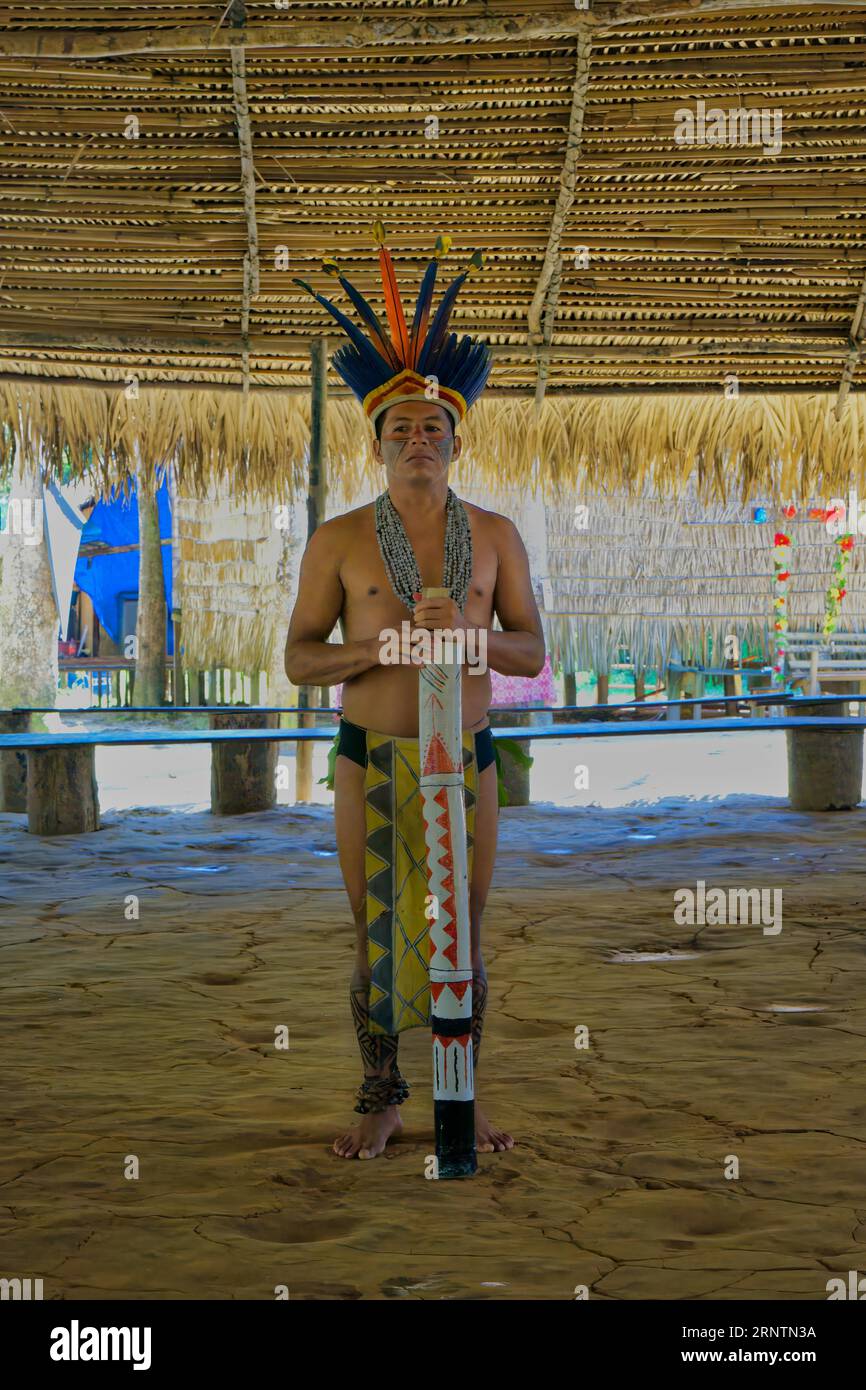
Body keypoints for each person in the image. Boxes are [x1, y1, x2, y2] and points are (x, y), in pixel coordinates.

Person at [286, 226, 545, 1160]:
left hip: (465, 756)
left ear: (456, 441)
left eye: (433, 427)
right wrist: (378, 648)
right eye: (400, 428)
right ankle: (381, 1096)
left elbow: (532, 654)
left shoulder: (498, 535)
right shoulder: (338, 539)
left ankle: (461, 1101)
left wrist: (468, 637)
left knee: (461, 928)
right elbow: (298, 660)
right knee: (376, 930)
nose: (417, 439)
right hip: (370, 757)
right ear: (377, 446)